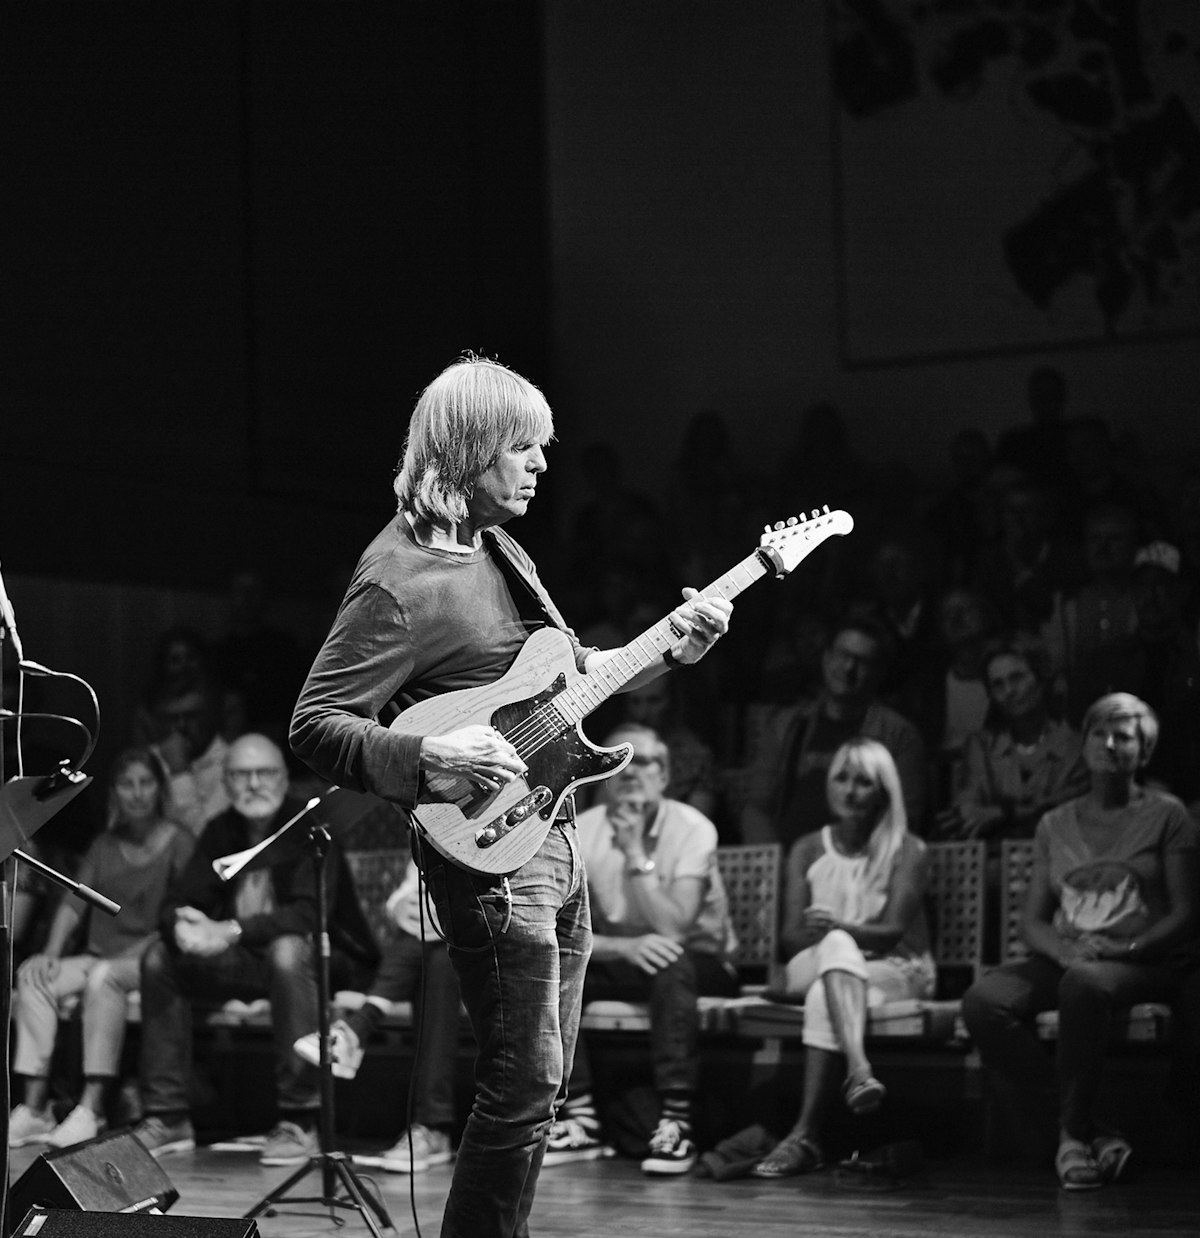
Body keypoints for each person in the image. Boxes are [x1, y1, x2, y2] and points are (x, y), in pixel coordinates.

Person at [288, 355, 732, 1238]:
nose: (539, 465)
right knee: (522, 1083)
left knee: (542, 1084)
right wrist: (425, 755)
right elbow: (314, 723)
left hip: (552, 837)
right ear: (469, 449)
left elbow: (568, 680)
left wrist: (674, 649)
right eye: (522, 448)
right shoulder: (397, 580)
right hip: (489, 860)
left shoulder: (499, 547)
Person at [961, 694, 1200, 1191]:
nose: (1109, 744)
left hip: (1141, 959)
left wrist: (1127, 950)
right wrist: (1064, 951)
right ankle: (1096, 1130)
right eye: (1098, 733)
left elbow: (1185, 913)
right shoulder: (1056, 822)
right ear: (1084, 742)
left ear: (1144, 752)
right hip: (1073, 957)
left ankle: (1070, 1138)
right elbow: (1033, 921)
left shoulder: (1168, 814)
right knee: (985, 1000)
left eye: (1124, 736)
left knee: (1085, 984)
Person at [131, 733, 378, 1166]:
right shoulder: (220, 830)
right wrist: (184, 928)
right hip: (250, 962)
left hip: (320, 960)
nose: (253, 784)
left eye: (263, 773)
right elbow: (176, 901)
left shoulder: (311, 828)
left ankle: (300, 1119)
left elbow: (307, 916)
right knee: (158, 957)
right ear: (225, 783)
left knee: (286, 949)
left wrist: (226, 930)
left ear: (284, 779)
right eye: (241, 775)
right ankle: (168, 1115)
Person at [545, 723, 738, 1175]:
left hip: (701, 959)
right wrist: (622, 948)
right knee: (553, 970)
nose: (631, 770)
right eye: (621, 759)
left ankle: (676, 1121)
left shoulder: (694, 828)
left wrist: (635, 852)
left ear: (666, 775)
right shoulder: (582, 829)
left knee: (672, 963)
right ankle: (583, 1118)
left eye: (645, 760)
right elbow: (561, 927)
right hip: (626, 957)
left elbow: (674, 927)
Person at [751, 738, 934, 1178]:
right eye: (842, 778)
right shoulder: (808, 847)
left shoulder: (908, 849)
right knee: (835, 948)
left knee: (823, 989)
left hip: (894, 969)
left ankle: (805, 1135)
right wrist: (829, 933)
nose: (850, 790)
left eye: (864, 782)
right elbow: (790, 939)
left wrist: (839, 929)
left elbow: (891, 934)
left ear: (884, 791)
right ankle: (858, 1067)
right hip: (816, 959)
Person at [8, 748, 194, 1149]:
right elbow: (74, 905)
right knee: (32, 976)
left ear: (160, 789)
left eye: (146, 783)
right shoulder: (104, 844)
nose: (137, 793)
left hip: (147, 959)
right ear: (115, 792)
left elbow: (181, 914)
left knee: (100, 979)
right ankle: (34, 1107)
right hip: (98, 957)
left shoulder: (179, 841)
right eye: (128, 784)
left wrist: (134, 953)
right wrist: (51, 953)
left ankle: (91, 1107)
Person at [292, 856, 464, 1174]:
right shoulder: (438, 828)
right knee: (437, 961)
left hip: (491, 952)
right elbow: (408, 891)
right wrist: (403, 906)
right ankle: (432, 1128)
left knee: (440, 951)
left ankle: (358, 1026)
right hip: (436, 955)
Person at [740, 617, 927, 848]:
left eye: (862, 661)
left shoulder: (899, 735)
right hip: (791, 862)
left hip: (862, 865)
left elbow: (904, 816)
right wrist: (774, 864)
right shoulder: (786, 726)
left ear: (879, 672)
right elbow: (757, 807)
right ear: (826, 658)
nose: (849, 668)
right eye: (843, 655)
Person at [936, 635, 1088, 854]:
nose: (1009, 691)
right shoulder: (981, 746)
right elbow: (969, 815)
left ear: (1041, 678)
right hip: (993, 864)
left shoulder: (1076, 747)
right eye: (998, 685)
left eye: (1017, 678)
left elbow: (1069, 814)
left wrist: (1002, 814)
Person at [147, 675, 232, 836]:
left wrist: (179, 772)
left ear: (212, 717)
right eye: (172, 718)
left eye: (191, 716)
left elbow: (205, 838)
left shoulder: (234, 763)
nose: (181, 726)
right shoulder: (148, 760)